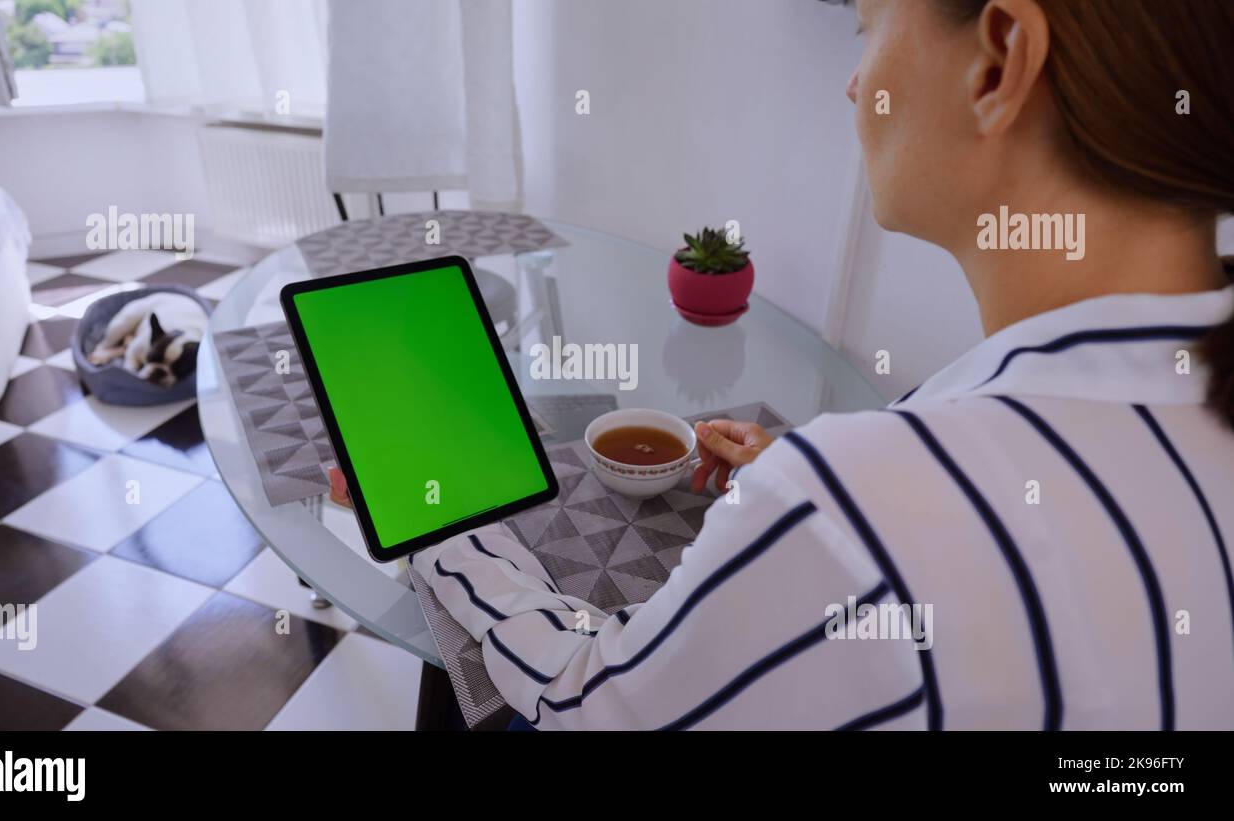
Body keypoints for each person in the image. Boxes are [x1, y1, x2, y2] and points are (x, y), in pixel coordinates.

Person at [332, 0, 1234, 729]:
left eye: (867, 26)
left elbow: (591, 701)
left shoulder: (865, 505)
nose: (854, 83)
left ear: (997, 61)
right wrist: (812, 491)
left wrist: (440, 533)